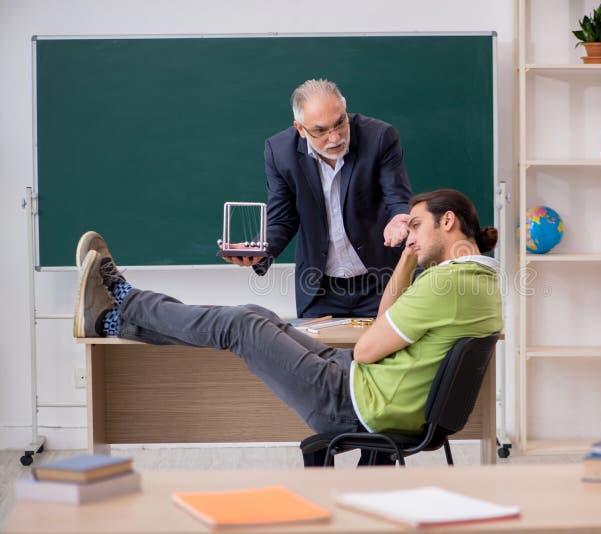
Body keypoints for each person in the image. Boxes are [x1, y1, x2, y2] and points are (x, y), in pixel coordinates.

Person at [73, 189, 502, 465]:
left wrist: (411, 262)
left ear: (447, 222)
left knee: (241, 324)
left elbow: (370, 346)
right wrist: (408, 257)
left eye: (415, 226)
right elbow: (384, 321)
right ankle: (111, 317)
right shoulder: (478, 279)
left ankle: (126, 300)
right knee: (256, 314)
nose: (409, 235)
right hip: (369, 387)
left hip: (353, 401)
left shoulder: (447, 284)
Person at [222, 78, 414, 319]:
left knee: (386, 355)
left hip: (382, 281)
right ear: (300, 129)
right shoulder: (280, 152)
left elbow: (398, 198)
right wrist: (258, 250)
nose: (335, 138)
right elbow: (282, 219)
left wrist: (400, 219)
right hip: (319, 289)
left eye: (340, 123)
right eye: (321, 130)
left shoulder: (379, 137)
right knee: (319, 356)